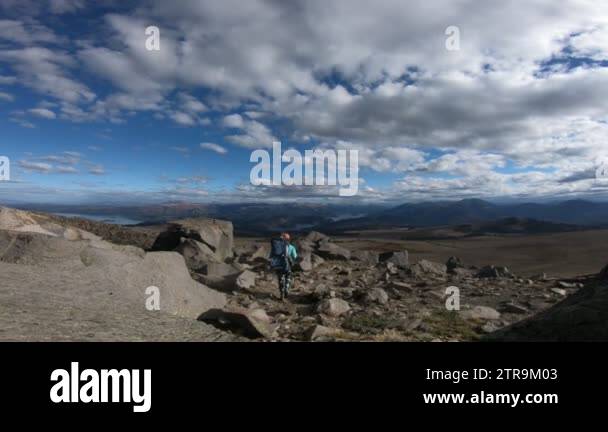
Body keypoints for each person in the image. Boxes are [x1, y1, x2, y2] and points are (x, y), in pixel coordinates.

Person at [269, 232, 298, 300]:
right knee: (288, 278)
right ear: (289, 239)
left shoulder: (277, 247)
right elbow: (295, 257)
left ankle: (282, 293)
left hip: (279, 265)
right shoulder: (291, 247)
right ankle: (286, 289)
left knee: (280, 279)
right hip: (288, 266)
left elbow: (271, 256)